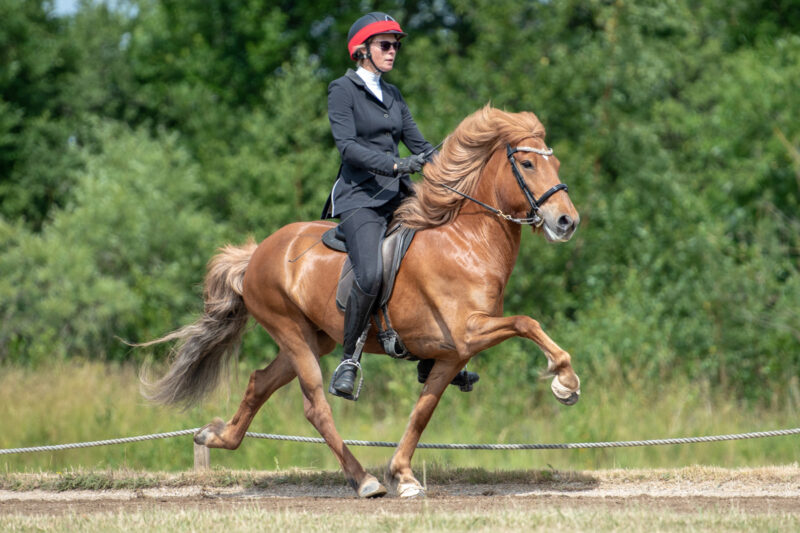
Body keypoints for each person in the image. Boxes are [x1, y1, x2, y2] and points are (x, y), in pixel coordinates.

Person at [323, 12, 477, 399]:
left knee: (442, 253)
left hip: (398, 195)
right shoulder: (342, 90)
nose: (393, 51)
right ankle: (349, 359)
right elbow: (348, 148)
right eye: (385, 45)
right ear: (362, 50)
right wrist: (397, 164)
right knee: (371, 273)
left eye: (396, 45)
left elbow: (421, 146)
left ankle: (431, 354)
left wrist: (458, 168)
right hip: (360, 197)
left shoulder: (393, 94)